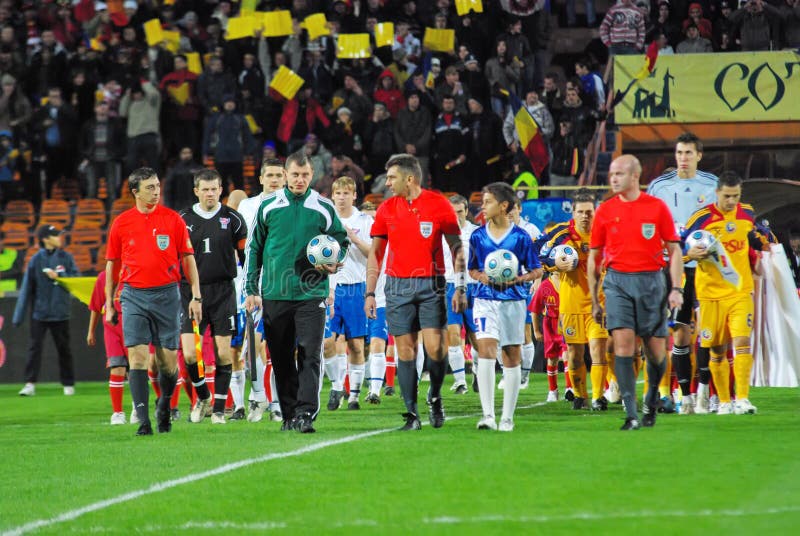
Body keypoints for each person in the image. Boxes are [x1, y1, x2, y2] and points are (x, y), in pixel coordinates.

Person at [245, 154, 349, 433]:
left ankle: (306, 413)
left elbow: (342, 239)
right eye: (295, 175)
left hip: (311, 293)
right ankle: (289, 414)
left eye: (305, 175)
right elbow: (253, 249)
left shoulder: (323, 207)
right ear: (286, 175)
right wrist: (251, 289)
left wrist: (336, 261)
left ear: (311, 174)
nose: (300, 180)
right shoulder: (268, 206)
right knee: (280, 356)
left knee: (309, 353)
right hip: (275, 292)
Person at [364, 154, 466, 431]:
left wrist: (461, 285)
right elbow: (375, 253)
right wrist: (370, 293)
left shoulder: (439, 205)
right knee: (405, 350)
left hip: (432, 283)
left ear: (410, 178)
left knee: (436, 348)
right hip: (397, 286)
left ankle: (434, 395)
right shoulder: (386, 208)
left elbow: (457, 247)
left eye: (392, 178)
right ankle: (412, 414)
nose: (387, 183)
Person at [588, 155, 684, 430]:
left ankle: (652, 398)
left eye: (619, 174)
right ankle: (630, 414)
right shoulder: (604, 211)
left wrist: (675, 288)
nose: (613, 179)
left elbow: (674, 250)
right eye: (611, 174)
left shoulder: (656, 208)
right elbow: (594, 256)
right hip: (617, 282)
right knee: (624, 345)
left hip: (652, 282)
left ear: (634, 177)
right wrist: (595, 299)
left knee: (655, 352)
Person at [105, 167, 202, 436]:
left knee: (167, 362)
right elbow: (112, 263)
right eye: (150, 187)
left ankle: (164, 404)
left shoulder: (173, 219)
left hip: (167, 295)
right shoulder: (122, 223)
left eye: (158, 186)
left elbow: (188, 258)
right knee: (136, 356)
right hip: (133, 295)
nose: (156, 191)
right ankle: (144, 421)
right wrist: (109, 302)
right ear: (135, 192)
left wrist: (196, 294)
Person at [682, 172, 768, 415]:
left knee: (742, 341)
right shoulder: (702, 218)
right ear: (717, 193)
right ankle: (724, 401)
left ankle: (742, 399)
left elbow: (757, 236)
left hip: (740, 291)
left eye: (736, 196)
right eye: (727, 196)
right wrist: (691, 255)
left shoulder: (747, 213)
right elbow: (679, 246)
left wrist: (766, 246)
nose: (732, 201)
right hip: (710, 294)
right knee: (718, 349)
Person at [647, 132, 719, 414]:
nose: (683, 159)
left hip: (707, 266)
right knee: (679, 334)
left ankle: (704, 392)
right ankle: (686, 396)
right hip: (675, 269)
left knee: (707, 331)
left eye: (689, 153)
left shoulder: (712, 185)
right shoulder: (659, 186)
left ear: (699, 156)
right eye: (679, 153)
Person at [469, 182, 543, 431]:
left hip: (512, 301)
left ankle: (507, 418)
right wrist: (484, 278)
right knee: (486, 350)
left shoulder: (521, 237)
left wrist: (518, 279)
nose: (483, 206)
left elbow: (537, 270)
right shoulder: (478, 236)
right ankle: (488, 415)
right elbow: (472, 268)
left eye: (488, 201)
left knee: (511, 355)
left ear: (503, 206)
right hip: (484, 300)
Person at [178, 169, 247, 424]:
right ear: (196, 191)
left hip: (223, 291)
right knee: (189, 355)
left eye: (214, 189)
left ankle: (219, 408)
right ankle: (203, 397)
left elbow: (245, 260)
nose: (210, 193)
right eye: (205, 189)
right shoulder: (182, 219)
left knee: (223, 352)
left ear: (221, 190)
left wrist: (249, 289)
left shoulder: (234, 219)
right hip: (190, 292)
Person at [540, 191, 609, 411]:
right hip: (570, 305)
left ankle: (599, 397)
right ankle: (580, 395)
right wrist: (555, 265)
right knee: (574, 354)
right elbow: (541, 257)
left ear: (595, 211)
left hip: (599, 304)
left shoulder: (605, 231)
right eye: (581, 212)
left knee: (598, 348)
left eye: (589, 212)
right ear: (574, 212)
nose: (585, 216)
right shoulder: (561, 234)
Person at [237, 158, 287, 423]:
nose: (275, 179)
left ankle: (278, 403)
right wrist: (247, 285)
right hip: (253, 285)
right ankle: (258, 397)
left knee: (282, 346)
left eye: (279, 175)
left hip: (283, 285)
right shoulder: (248, 206)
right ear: (261, 179)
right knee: (249, 347)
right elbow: (245, 249)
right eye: (270, 175)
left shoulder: (291, 206)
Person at [13, 224, 78, 397]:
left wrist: (60, 277)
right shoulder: (35, 260)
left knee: (64, 349)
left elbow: (76, 280)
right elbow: (26, 289)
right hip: (39, 314)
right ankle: (29, 384)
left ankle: (68, 384)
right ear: (45, 239)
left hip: (61, 313)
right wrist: (18, 317)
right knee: (34, 349)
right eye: (56, 235)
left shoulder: (67, 257)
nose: (60, 238)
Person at [327, 176, 374, 410]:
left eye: (347, 193)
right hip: (330, 288)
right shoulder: (326, 218)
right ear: (332, 195)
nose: (342, 197)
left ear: (354, 195)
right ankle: (337, 386)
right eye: (338, 193)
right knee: (330, 341)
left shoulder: (364, 220)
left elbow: (372, 254)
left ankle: (354, 395)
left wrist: (353, 238)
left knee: (356, 344)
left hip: (356, 287)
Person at [442, 194, 479, 395]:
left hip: (473, 287)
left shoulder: (476, 233)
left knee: (476, 337)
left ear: (466, 211)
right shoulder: (442, 233)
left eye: (460, 212)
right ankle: (459, 381)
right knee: (453, 333)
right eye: (452, 212)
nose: (456, 216)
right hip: (449, 287)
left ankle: (477, 373)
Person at [87, 269, 127, 424]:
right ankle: (117, 412)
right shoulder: (104, 277)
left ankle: (138, 408)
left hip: (132, 324)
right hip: (111, 327)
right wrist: (91, 331)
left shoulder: (134, 272)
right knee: (117, 367)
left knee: (136, 369)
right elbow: (96, 306)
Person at [530, 270, 567, 402]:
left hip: (567, 322)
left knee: (568, 354)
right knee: (552, 358)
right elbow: (535, 309)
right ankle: (553, 390)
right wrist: (536, 331)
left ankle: (570, 388)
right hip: (550, 325)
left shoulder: (570, 282)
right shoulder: (545, 285)